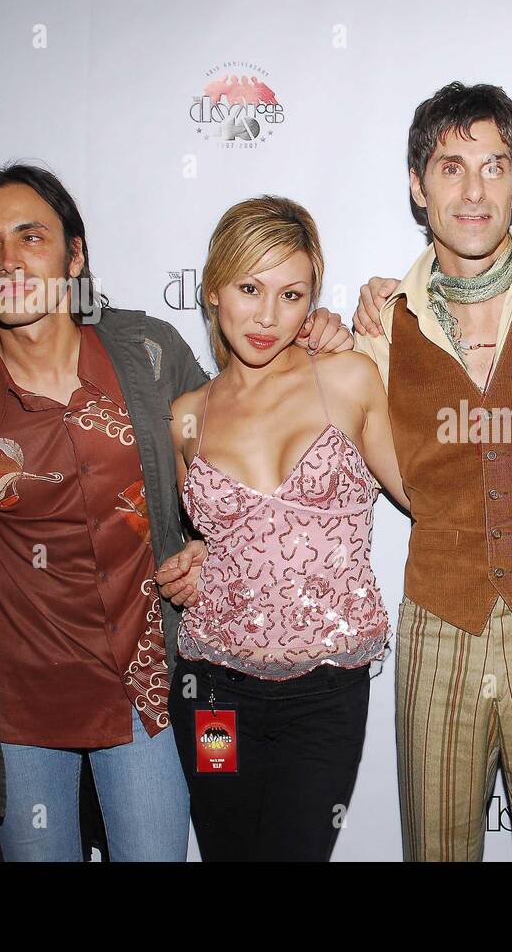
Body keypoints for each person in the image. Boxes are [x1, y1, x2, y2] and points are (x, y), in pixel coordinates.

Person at [0, 163, 350, 861]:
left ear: (73, 254)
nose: (11, 259)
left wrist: (311, 341)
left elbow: (232, 451)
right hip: (17, 710)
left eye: (31, 236)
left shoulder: (148, 355)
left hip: (149, 694)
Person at [352, 81, 512, 861]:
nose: (473, 189)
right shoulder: (381, 325)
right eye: (450, 166)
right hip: (440, 622)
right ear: (416, 184)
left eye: (494, 167)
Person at [166, 195, 407, 861]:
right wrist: (189, 556)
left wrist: (406, 339)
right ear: (214, 288)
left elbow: (424, 490)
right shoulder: (186, 414)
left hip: (324, 695)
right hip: (211, 690)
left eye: (291, 293)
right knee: (226, 851)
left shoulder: (348, 378)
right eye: (249, 288)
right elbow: (199, 538)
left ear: (312, 301)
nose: (268, 315)